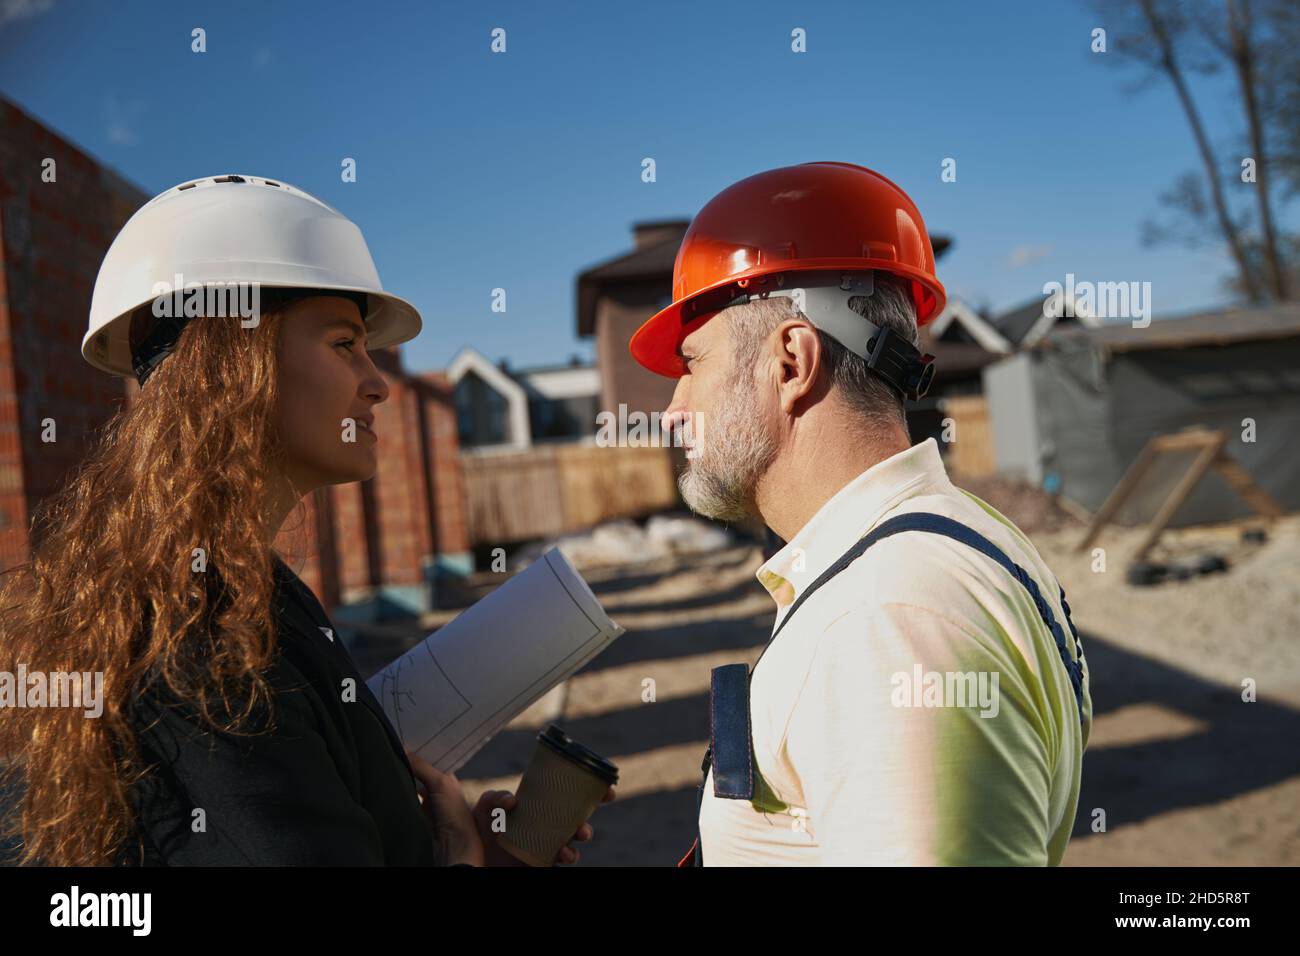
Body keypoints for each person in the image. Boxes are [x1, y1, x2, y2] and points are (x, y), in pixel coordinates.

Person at [0, 174, 611, 866]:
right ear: (234, 363)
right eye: (345, 343)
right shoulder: (202, 640)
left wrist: (445, 847)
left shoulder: (233, 588)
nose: (377, 382)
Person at [629, 162, 1091, 866]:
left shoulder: (887, 613)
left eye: (693, 362)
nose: (674, 410)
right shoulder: (933, 544)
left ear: (790, 361)